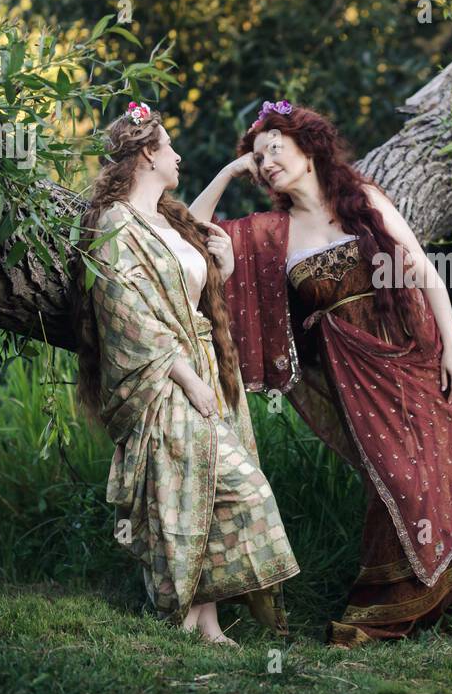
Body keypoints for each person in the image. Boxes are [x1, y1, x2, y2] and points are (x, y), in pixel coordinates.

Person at [190, 99, 452, 648]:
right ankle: (383, 610)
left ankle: (435, 597)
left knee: (437, 474)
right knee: (395, 480)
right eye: (258, 156)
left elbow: (424, 270)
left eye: (276, 148)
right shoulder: (271, 233)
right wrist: (228, 171)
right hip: (355, 376)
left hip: (414, 353)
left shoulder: (362, 201)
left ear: (309, 147)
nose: (266, 161)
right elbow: (189, 232)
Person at [72, 101, 299, 646]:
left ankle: (206, 621)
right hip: (167, 377)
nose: (178, 155)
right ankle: (180, 608)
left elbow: (189, 292)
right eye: (170, 146)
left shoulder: (166, 220)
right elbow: (130, 319)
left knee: (210, 490)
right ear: (149, 154)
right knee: (234, 489)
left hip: (205, 364)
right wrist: (189, 380)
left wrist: (220, 268)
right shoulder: (114, 226)